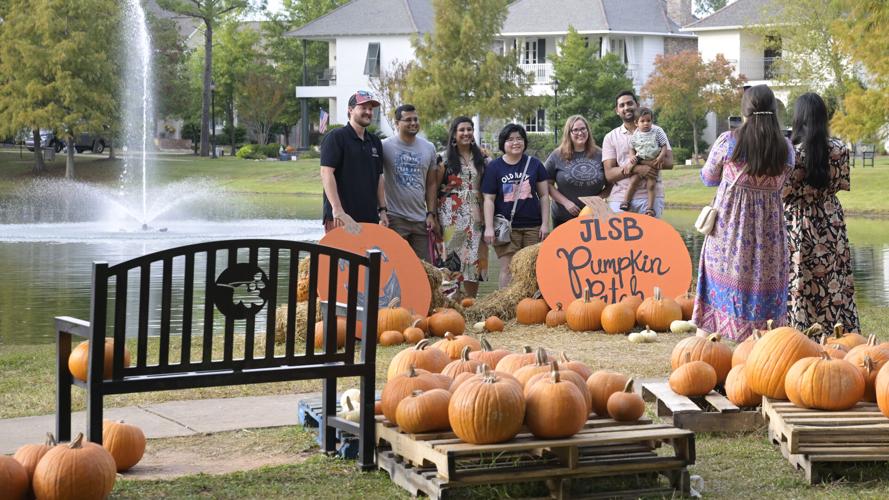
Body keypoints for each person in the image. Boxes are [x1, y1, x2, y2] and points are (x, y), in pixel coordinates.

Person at [691, 84, 796, 341]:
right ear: (773, 110)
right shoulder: (785, 148)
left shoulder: (729, 141)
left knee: (718, 287)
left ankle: (700, 352)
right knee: (764, 283)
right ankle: (765, 350)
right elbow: (784, 182)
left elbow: (708, 177)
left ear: (745, 110)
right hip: (770, 233)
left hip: (730, 231)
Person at [783, 92, 861, 332]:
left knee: (800, 277)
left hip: (798, 221)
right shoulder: (839, 149)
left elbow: (784, 192)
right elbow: (842, 183)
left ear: (799, 119)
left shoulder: (792, 153)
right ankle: (841, 330)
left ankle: (800, 332)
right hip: (830, 219)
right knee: (834, 277)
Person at [482, 124, 550, 288]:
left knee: (532, 268)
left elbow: (544, 196)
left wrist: (545, 224)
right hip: (506, 228)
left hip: (533, 226)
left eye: (519, 138)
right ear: (503, 143)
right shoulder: (494, 167)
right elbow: (489, 199)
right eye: (510, 139)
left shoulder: (535, 164)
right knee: (508, 268)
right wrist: (489, 227)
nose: (515, 142)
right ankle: (506, 306)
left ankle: (532, 305)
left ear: (525, 142)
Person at [429, 117, 488, 298]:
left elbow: (488, 189)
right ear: (454, 134)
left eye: (469, 129)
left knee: (474, 260)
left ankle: (471, 303)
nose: (466, 133)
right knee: (453, 260)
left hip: (477, 214)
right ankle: (452, 303)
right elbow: (433, 189)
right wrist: (433, 216)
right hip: (451, 215)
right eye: (461, 130)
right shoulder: (444, 159)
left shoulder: (482, 158)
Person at [319, 90, 388, 232]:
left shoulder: (375, 141)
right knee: (338, 255)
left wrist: (382, 210)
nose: (368, 112)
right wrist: (337, 210)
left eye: (370, 109)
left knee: (368, 255)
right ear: (350, 110)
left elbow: (379, 177)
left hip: (369, 218)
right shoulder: (336, 137)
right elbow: (326, 173)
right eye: (363, 108)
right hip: (341, 218)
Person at [602, 91, 673, 217]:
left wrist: (643, 164)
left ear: (637, 105)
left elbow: (669, 162)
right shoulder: (610, 137)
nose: (626, 107)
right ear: (617, 111)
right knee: (621, 238)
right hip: (619, 199)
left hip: (651, 199)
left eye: (630, 103)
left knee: (652, 237)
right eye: (622, 105)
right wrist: (638, 168)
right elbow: (609, 175)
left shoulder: (656, 131)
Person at [381, 104, 438, 260]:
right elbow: (376, 178)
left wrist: (431, 213)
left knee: (425, 269)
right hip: (395, 218)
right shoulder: (384, 146)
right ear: (397, 123)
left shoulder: (429, 147)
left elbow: (431, 183)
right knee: (395, 265)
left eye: (415, 119)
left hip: (421, 219)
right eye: (408, 120)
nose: (413, 123)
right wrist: (381, 211)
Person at [545, 115, 607, 228]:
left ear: (588, 130)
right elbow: (546, 183)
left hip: (594, 216)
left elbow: (612, 183)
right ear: (569, 133)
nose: (580, 133)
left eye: (583, 129)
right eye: (575, 130)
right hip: (563, 216)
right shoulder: (557, 155)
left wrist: (598, 200)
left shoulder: (601, 154)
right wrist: (566, 203)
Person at [622, 107, 669, 216]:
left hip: (654, 161)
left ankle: (650, 208)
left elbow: (664, 145)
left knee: (651, 185)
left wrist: (661, 156)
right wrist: (632, 156)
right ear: (636, 123)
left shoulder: (657, 132)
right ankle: (626, 201)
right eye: (642, 121)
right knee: (634, 181)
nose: (646, 123)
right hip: (639, 160)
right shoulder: (635, 134)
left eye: (648, 120)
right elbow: (631, 147)